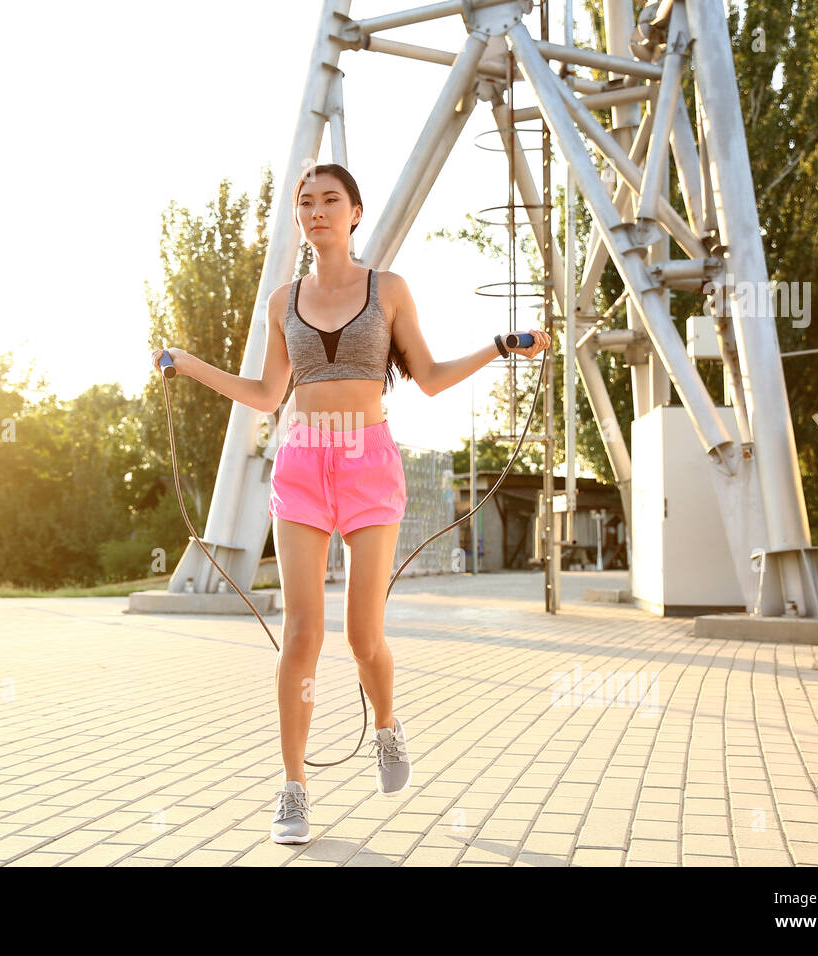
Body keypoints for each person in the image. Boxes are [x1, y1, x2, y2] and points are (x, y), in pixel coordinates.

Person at [151, 163, 549, 845]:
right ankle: (293, 789)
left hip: (369, 463)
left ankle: (387, 728)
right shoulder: (281, 302)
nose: (316, 211)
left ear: (356, 212)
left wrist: (498, 346)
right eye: (305, 202)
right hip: (303, 462)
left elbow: (426, 379)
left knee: (365, 638)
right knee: (304, 634)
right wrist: (188, 364)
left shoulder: (388, 289)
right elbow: (266, 394)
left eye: (330, 200)